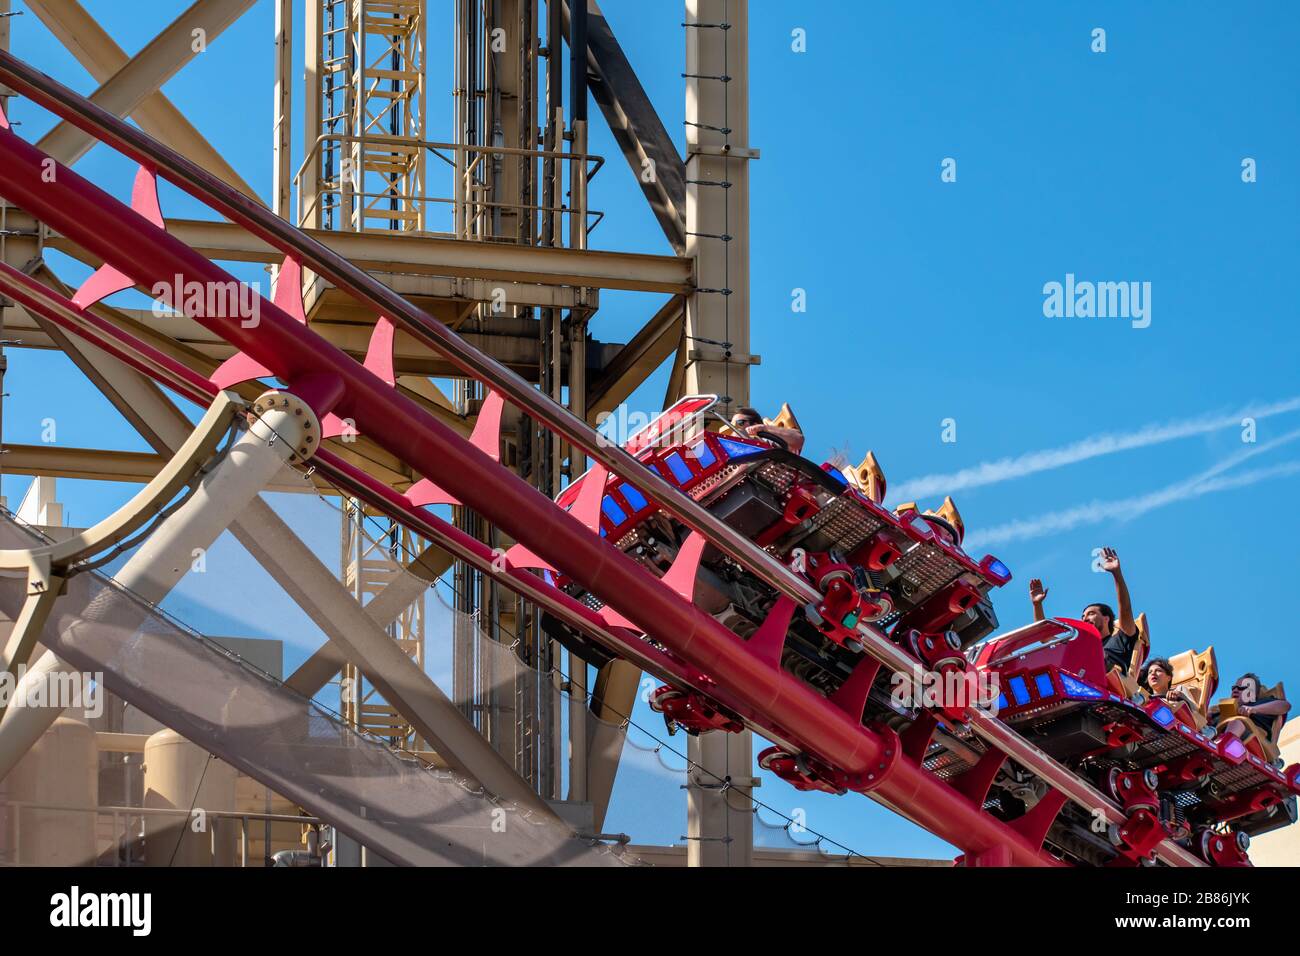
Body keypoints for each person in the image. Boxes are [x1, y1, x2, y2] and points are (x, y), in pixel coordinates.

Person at [1027, 547, 1139, 673]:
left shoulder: (1120, 639)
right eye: (1083, 616)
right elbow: (1045, 638)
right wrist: (1037, 605)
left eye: (1091, 613)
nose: (1085, 618)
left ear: (1106, 618)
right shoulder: (1079, 647)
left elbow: (1125, 609)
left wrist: (1116, 574)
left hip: (1109, 686)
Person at [1218, 673, 1291, 743]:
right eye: (1234, 688)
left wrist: (1253, 709)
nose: (1235, 690)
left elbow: (1285, 705)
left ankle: (1223, 745)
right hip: (1218, 734)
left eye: (1241, 688)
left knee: (1237, 722)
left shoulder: (1263, 703)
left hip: (1252, 738)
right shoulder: (1221, 710)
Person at [730, 406, 805, 454]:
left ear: (755, 425)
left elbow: (798, 439)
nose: (735, 427)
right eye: (731, 425)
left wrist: (764, 428)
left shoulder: (766, 440)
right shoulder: (728, 447)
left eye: (740, 423)